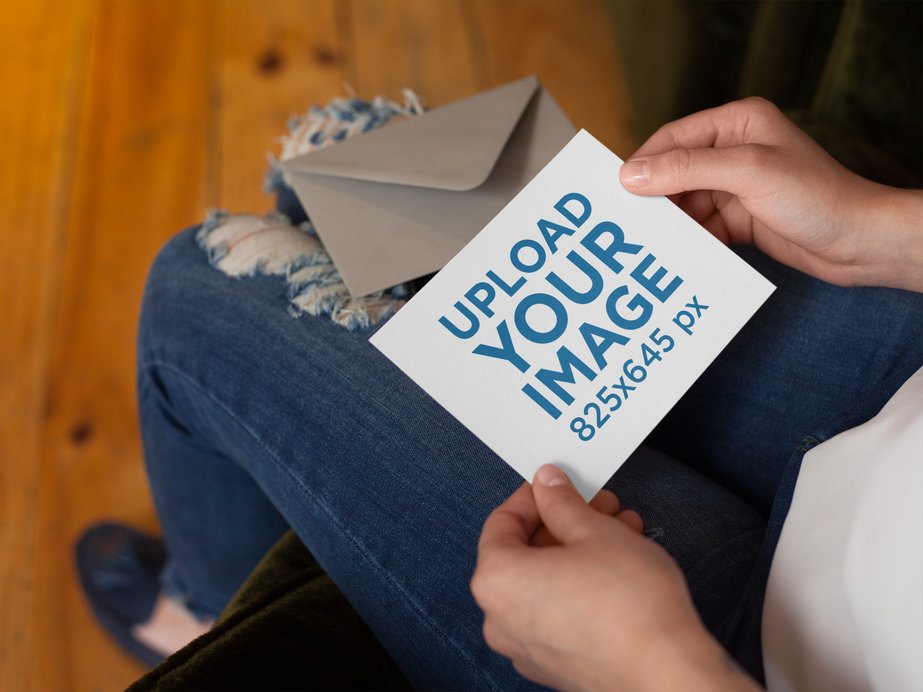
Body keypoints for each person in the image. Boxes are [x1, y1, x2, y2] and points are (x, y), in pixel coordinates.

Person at [76, 98, 923, 690]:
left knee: (202, 284)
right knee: (363, 162)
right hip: (903, 393)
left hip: (757, 657)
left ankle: (206, 611)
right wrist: (883, 230)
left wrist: (648, 665)